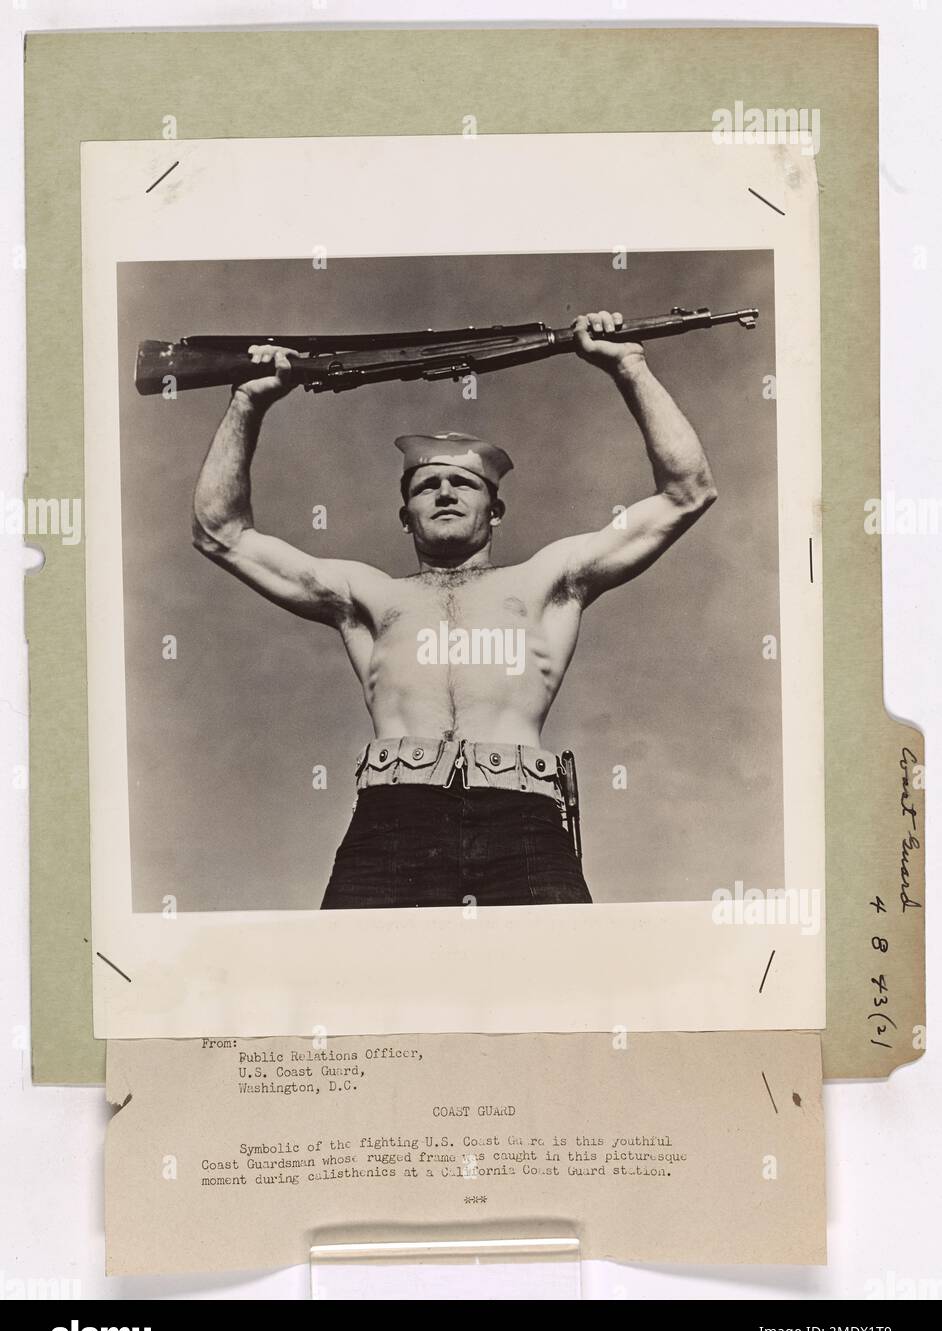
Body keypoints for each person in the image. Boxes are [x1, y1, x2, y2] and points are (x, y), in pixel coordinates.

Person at [191, 310, 717, 908]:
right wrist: (248, 401)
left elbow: (687, 492)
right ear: (405, 515)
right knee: (353, 986)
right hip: (394, 819)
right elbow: (220, 532)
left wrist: (629, 366)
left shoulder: (550, 580)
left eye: (463, 485)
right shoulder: (367, 596)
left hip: (522, 820)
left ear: (495, 512)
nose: (443, 492)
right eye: (425, 486)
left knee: (560, 984)